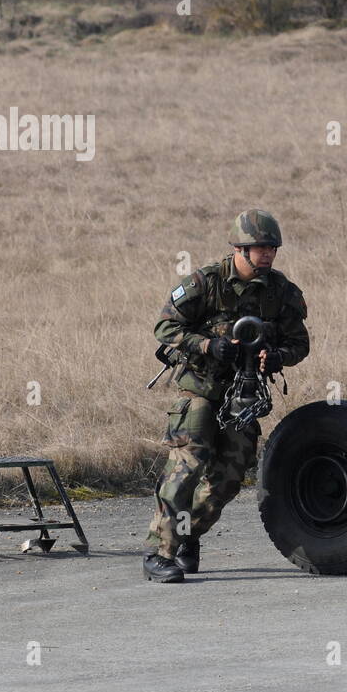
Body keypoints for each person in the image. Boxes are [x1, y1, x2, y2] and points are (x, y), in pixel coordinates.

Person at [143, 210, 309, 583]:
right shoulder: (205, 282)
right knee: (185, 468)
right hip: (200, 390)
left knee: (230, 478)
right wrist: (207, 345)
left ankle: (187, 536)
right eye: (259, 248)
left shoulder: (280, 291)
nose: (267, 255)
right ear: (239, 249)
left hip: (243, 397)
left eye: (271, 249)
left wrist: (278, 355)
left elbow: (300, 343)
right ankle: (159, 552)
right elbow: (165, 326)